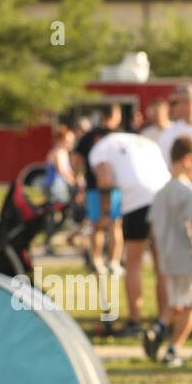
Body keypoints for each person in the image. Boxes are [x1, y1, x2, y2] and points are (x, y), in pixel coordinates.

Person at [143, 137, 192, 367]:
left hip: (168, 257)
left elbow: (153, 228)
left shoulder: (161, 192)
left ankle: (157, 329)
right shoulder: (190, 192)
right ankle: (173, 350)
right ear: (188, 161)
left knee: (175, 303)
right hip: (190, 258)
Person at [88, 127, 172, 336]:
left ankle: (135, 321)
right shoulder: (147, 141)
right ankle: (164, 320)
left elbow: (105, 179)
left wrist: (107, 214)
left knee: (133, 263)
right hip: (165, 198)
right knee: (161, 265)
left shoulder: (101, 147)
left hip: (137, 203)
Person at [72, 105, 124, 276]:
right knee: (115, 225)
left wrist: (77, 179)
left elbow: (76, 160)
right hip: (114, 187)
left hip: (93, 186)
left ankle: (97, 261)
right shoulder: (118, 136)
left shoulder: (89, 136)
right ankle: (114, 262)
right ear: (115, 115)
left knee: (97, 226)